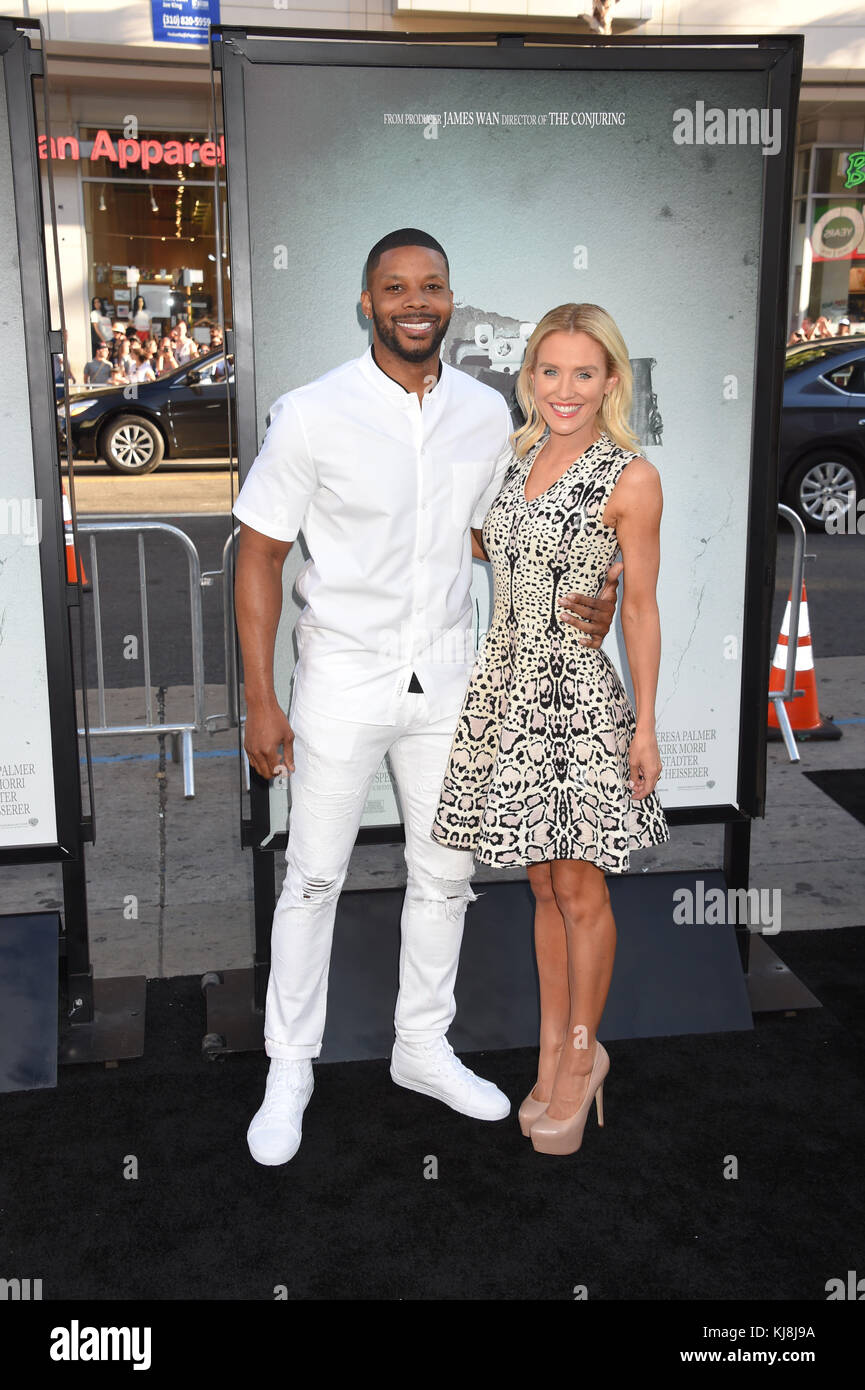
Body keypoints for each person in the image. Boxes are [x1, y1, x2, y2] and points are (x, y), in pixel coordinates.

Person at [231, 230, 624, 1166]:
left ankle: (421, 1047)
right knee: (315, 876)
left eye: (432, 285)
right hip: (340, 675)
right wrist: (258, 696)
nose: (416, 300)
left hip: (451, 679)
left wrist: (596, 586)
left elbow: (497, 537)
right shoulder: (313, 413)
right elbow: (258, 553)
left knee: (445, 879)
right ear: (365, 302)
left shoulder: (489, 413)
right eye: (395, 287)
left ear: (450, 299)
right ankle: (289, 1066)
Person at [431, 303, 669, 1156]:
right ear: (529, 376)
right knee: (539, 885)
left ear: (610, 379)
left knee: (578, 888)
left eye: (582, 373)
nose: (564, 390)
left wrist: (644, 727)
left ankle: (580, 1056)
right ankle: (551, 1046)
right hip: (507, 688)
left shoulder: (628, 477)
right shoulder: (514, 453)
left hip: (572, 699)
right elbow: (492, 546)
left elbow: (637, 608)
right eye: (548, 371)